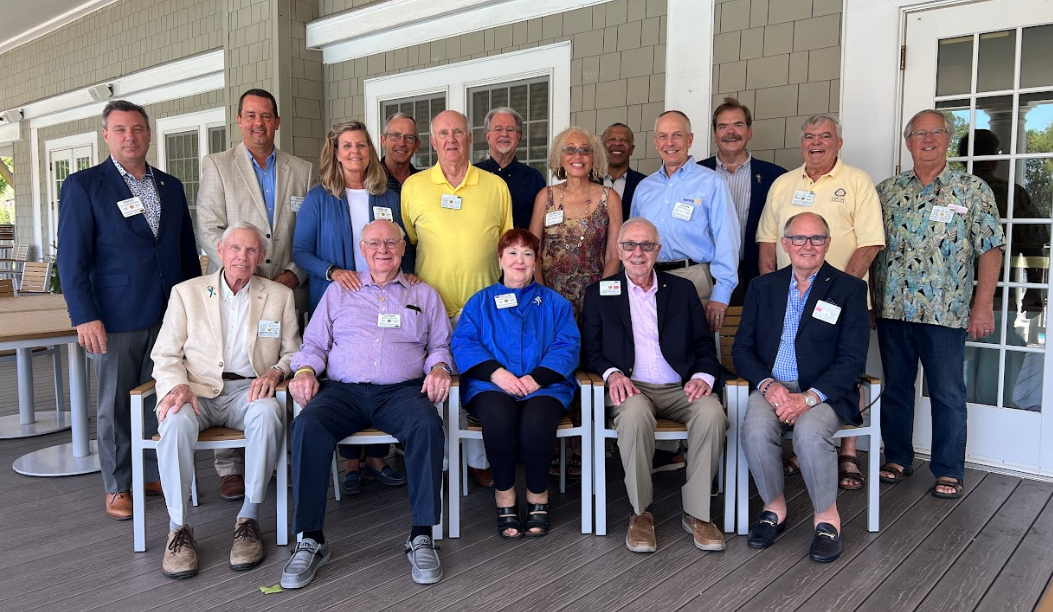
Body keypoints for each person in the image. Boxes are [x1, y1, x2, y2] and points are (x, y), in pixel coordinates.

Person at [282, 219, 451, 587]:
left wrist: (439, 368)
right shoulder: (340, 291)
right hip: (342, 391)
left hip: (401, 391)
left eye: (391, 243)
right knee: (308, 426)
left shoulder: (424, 294)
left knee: (426, 425)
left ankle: (422, 534)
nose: (383, 250)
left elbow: (439, 344)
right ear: (362, 249)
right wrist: (306, 370)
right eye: (374, 243)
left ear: (404, 248)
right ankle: (311, 539)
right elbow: (313, 344)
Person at [57, 99, 200, 521]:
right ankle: (118, 484)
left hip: (169, 315)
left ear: (149, 133)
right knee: (116, 402)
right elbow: (72, 258)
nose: (129, 137)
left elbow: (184, 252)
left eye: (137, 129)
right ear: (106, 135)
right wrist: (84, 314)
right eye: (119, 130)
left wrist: (194, 309)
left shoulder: (170, 186)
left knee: (163, 395)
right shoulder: (84, 186)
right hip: (114, 316)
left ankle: (153, 472)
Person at [150, 222, 300, 578]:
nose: (242, 257)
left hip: (249, 390)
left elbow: (294, 352)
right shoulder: (187, 292)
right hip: (195, 390)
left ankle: (248, 518)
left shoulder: (278, 295)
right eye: (235, 249)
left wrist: (275, 372)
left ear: (261, 257)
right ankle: (179, 527)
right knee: (173, 421)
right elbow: (165, 354)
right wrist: (176, 386)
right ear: (219, 251)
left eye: (251, 251)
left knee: (268, 414)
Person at [874, 109, 1004, 499]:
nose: (927, 139)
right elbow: (870, 247)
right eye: (918, 133)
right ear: (908, 141)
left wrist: (983, 307)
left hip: (945, 312)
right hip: (893, 309)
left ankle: (948, 468)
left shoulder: (972, 189)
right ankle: (897, 456)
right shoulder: (887, 191)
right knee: (896, 388)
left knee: (947, 392)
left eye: (936, 132)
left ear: (948, 139)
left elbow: (991, 249)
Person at [195, 88, 314, 501]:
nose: (258, 123)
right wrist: (240, 268)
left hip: (284, 288)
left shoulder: (302, 169)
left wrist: (294, 275)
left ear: (277, 122)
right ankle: (229, 467)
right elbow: (208, 228)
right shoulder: (218, 165)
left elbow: (307, 235)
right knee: (226, 367)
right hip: (232, 288)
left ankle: (281, 457)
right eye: (250, 116)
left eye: (266, 116)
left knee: (274, 366)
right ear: (240, 121)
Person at [755, 114, 886, 490]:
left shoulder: (856, 181)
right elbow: (767, 240)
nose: (816, 143)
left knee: (842, 367)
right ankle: (799, 446)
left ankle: (846, 452)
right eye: (810, 137)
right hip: (789, 295)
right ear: (802, 144)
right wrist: (769, 290)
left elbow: (870, 241)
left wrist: (837, 289)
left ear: (838, 143)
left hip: (838, 297)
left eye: (825, 136)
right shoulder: (783, 184)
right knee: (794, 361)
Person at [582, 217, 727, 554]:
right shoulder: (601, 293)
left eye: (646, 245)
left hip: (680, 386)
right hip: (631, 387)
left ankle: (697, 512)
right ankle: (640, 513)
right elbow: (589, 352)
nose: (638, 253)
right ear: (618, 250)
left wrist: (702, 377)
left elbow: (704, 346)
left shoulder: (682, 290)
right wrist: (612, 374)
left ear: (657, 250)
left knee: (712, 413)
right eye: (630, 245)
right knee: (633, 417)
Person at [734, 212, 869, 563]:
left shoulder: (850, 289)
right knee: (755, 428)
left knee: (809, 434)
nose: (807, 246)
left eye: (816, 239)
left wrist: (808, 397)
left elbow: (852, 360)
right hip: (774, 386)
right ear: (785, 244)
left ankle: (827, 518)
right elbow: (742, 349)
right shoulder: (762, 287)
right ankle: (774, 507)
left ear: (827, 243)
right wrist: (767, 385)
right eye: (799, 239)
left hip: (823, 391)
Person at [292, 120, 412, 492]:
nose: (355, 152)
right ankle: (351, 463)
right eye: (347, 146)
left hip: (386, 298)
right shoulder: (318, 198)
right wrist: (332, 271)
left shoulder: (389, 196)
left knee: (379, 370)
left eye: (361, 145)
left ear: (370, 150)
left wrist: (408, 279)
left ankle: (377, 458)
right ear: (336, 152)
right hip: (340, 300)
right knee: (344, 377)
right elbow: (300, 252)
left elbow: (404, 245)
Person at [402, 109, 514, 488]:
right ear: (432, 142)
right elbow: (408, 244)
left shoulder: (495, 186)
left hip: (481, 309)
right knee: (434, 387)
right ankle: (443, 463)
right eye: (443, 134)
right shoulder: (414, 187)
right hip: (430, 308)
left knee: (481, 385)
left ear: (471, 139)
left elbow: (506, 245)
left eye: (458, 133)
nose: (451, 140)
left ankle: (481, 461)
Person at [452, 229, 581, 538]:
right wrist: (499, 375)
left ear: (536, 260)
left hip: (544, 385)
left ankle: (538, 495)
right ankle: (505, 495)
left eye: (527, 254)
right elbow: (464, 343)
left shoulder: (555, 304)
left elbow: (567, 346)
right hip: (490, 385)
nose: (519, 260)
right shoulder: (480, 303)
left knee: (538, 420)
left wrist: (536, 378)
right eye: (512, 253)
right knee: (499, 416)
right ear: (500, 259)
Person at [631, 110, 741, 333]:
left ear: (689, 140)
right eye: (663, 136)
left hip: (693, 279)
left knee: (694, 350)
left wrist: (722, 293)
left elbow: (727, 239)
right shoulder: (644, 188)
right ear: (655, 142)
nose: (669, 143)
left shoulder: (711, 183)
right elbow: (633, 239)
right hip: (648, 278)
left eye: (677, 135)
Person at [698, 97, 787, 305]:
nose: (731, 132)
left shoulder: (776, 177)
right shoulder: (696, 175)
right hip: (705, 274)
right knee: (704, 335)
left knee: (751, 334)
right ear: (715, 135)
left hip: (755, 273)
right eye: (723, 126)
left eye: (738, 125)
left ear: (749, 132)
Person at [529, 126, 622, 320]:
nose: (577, 156)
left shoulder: (610, 197)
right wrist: (543, 296)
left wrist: (600, 298)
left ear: (593, 157)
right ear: (559, 157)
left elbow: (614, 255)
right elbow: (533, 252)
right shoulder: (545, 196)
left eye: (584, 150)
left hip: (594, 297)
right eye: (569, 149)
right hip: (550, 298)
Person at [476, 107, 547, 229]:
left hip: (522, 247)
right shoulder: (473, 174)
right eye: (498, 129)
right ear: (488, 136)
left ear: (518, 136)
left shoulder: (534, 179)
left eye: (510, 129)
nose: (504, 134)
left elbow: (543, 226)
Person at [602, 122, 648, 221]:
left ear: (632, 149)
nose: (617, 143)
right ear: (602, 147)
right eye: (611, 139)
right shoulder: (589, 181)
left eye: (624, 140)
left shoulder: (645, 184)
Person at [380, 112, 422, 194]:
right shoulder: (368, 178)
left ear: (417, 145)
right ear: (383, 141)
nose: (402, 143)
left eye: (409, 137)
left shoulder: (423, 182)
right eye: (395, 136)